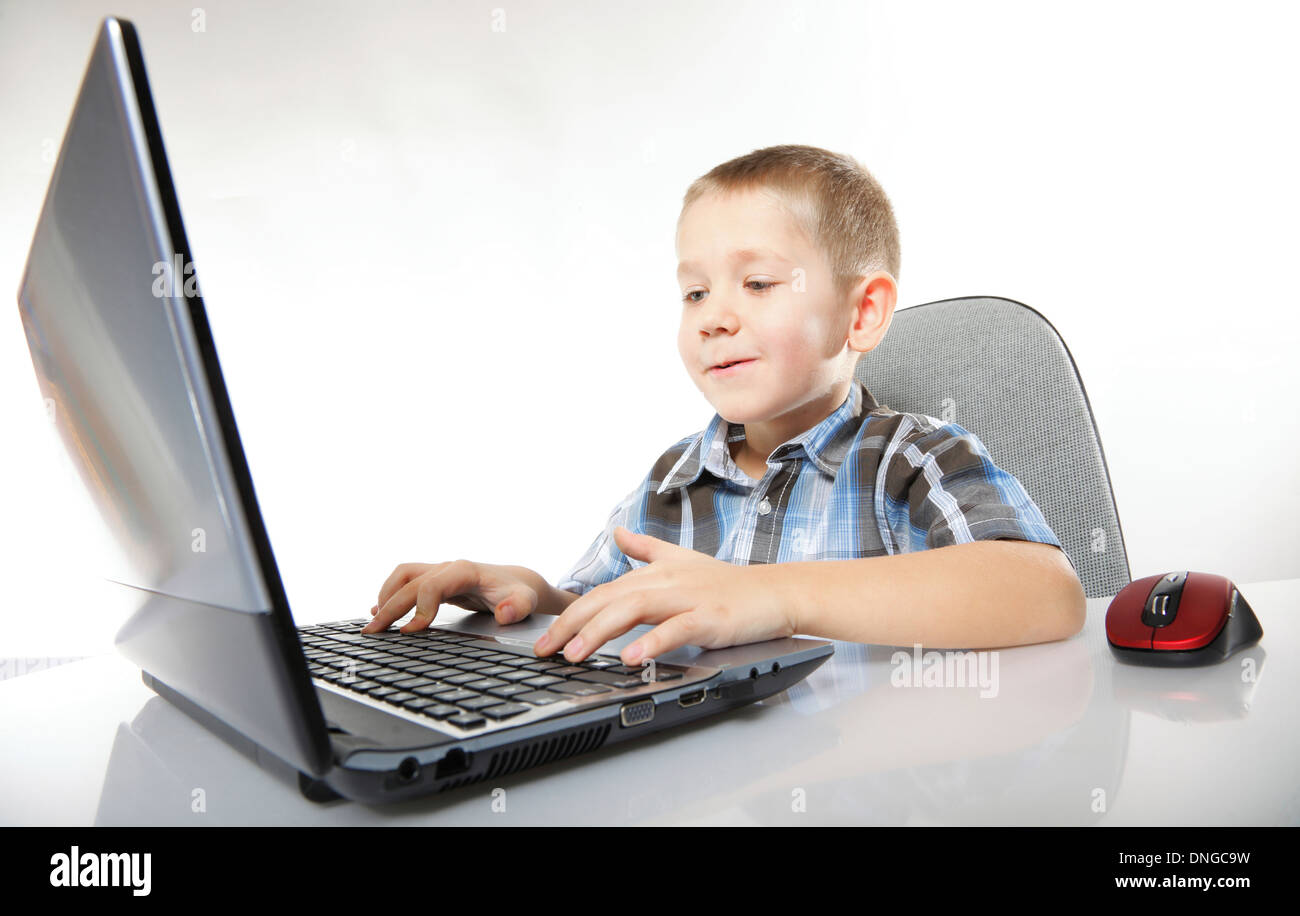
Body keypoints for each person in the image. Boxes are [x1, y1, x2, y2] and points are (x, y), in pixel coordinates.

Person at [362, 144, 1086, 664]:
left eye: (760, 284)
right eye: (696, 292)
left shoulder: (911, 460)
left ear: (861, 314)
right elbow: (605, 611)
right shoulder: (673, 482)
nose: (712, 317)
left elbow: (1046, 593)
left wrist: (775, 595)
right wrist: (528, 595)